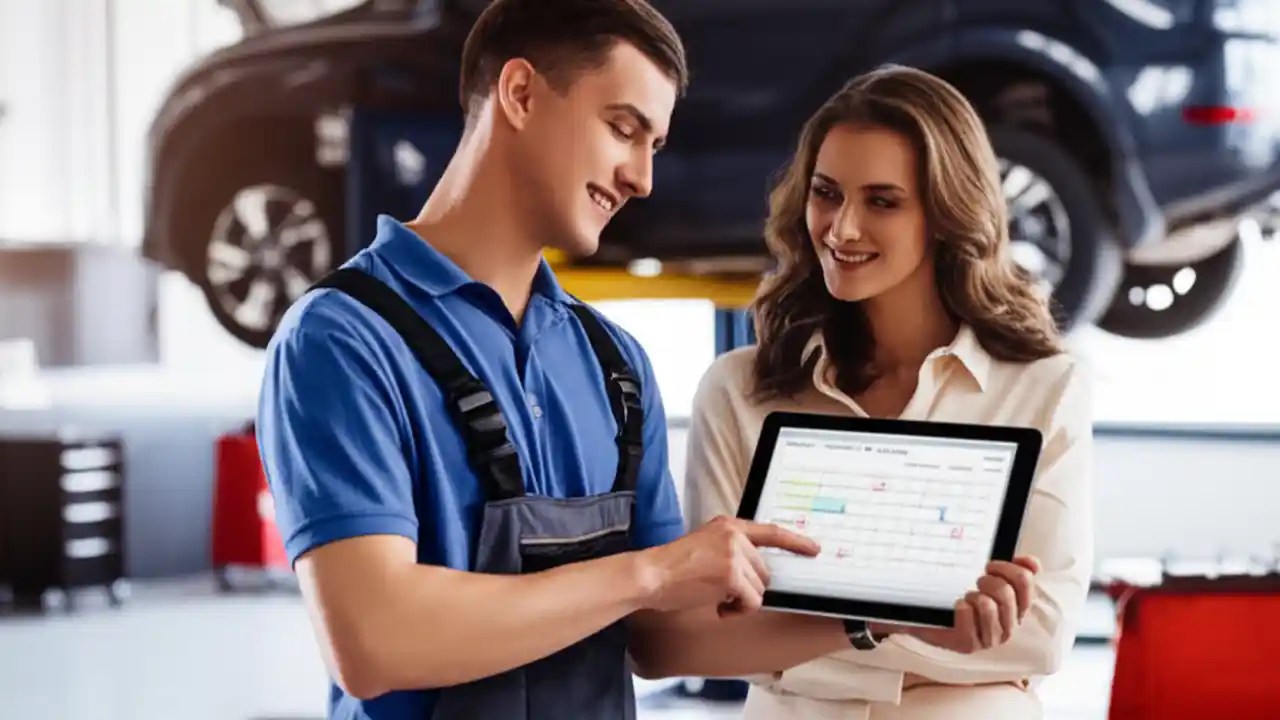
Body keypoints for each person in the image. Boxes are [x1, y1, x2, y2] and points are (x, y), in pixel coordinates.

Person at [257, 2, 1041, 717]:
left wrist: (879, 619)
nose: (641, 177)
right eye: (623, 128)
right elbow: (376, 642)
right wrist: (653, 572)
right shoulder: (345, 339)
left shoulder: (611, 364)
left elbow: (663, 640)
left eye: (654, 145)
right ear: (521, 94)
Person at [681, 65, 1095, 720]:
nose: (842, 228)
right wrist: (919, 625)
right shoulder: (737, 390)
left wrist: (792, 642)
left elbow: (1039, 635)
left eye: (882, 201)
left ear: (946, 215)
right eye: (826, 193)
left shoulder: (1045, 387)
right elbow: (706, 634)